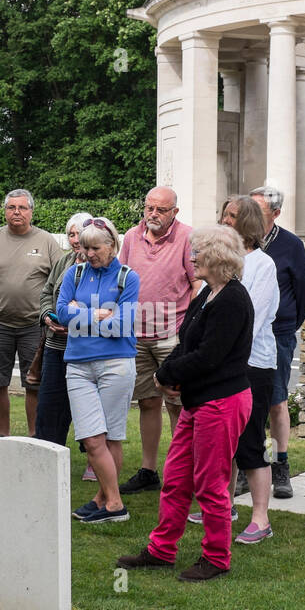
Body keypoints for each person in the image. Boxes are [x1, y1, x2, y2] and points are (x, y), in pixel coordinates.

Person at [117, 225, 252, 581]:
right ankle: (161, 550)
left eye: (198, 253)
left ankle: (217, 558)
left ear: (217, 257)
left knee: (210, 484)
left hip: (221, 403)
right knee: (176, 478)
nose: (191, 258)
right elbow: (187, 344)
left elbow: (209, 356)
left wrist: (166, 374)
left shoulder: (233, 300)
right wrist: (166, 373)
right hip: (198, 401)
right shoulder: (207, 293)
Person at [117, 185, 199, 495]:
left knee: (178, 404)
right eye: (149, 207)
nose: (153, 214)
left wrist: (188, 328)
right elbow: (121, 279)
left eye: (161, 210)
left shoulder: (187, 237)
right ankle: (148, 471)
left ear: (174, 212)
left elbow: (197, 283)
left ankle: (183, 473)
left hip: (172, 335)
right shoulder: (131, 237)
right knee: (147, 402)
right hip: (137, 335)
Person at [58, 216, 139, 524]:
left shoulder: (128, 277)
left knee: (111, 438)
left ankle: (107, 501)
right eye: (85, 248)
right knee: (91, 439)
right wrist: (100, 314)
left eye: (95, 248)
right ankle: (111, 502)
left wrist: (81, 313)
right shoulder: (75, 273)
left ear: (112, 245)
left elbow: (122, 325)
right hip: (78, 365)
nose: (89, 254)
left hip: (116, 364)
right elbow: (62, 313)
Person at [0, 188, 61, 437]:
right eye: (11, 207)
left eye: (22, 207)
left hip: (35, 326)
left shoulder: (46, 242)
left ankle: (34, 436)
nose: (16, 212)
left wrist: (50, 315)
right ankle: (4, 436)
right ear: (5, 211)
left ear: (31, 211)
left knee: (34, 384)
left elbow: (59, 282)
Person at [251, 184, 305, 501]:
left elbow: (304, 294)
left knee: (276, 401)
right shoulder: (239, 241)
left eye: (258, 211)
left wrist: (287, 326)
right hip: (243, 334)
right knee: (246, 403)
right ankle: (249, 464)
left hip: (277, 335)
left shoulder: (290, 245)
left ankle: (280, 464)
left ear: (276, 214)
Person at [221, 196, 280, 544]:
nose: (226, 221)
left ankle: (261, 518)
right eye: (224, 214)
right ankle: (224, 505)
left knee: (250, 441)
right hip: (223, 364)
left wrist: (219, 349)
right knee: (224, 441)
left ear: (248, 223)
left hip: (252, 364)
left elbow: (251, 319)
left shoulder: (263, 265)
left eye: (233, 216)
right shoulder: (221, 260)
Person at [35, 211, 92, 447]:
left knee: (86, 406)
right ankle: (48, 451)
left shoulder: (99, 264)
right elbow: (47, 292)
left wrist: (79, 321)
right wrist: (47, 316)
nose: (75, 240)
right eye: (71, 234)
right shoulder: (64, 262)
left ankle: (93, 456)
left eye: (80, 234)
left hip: (86, 348)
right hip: (55, 346)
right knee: (49, 404)